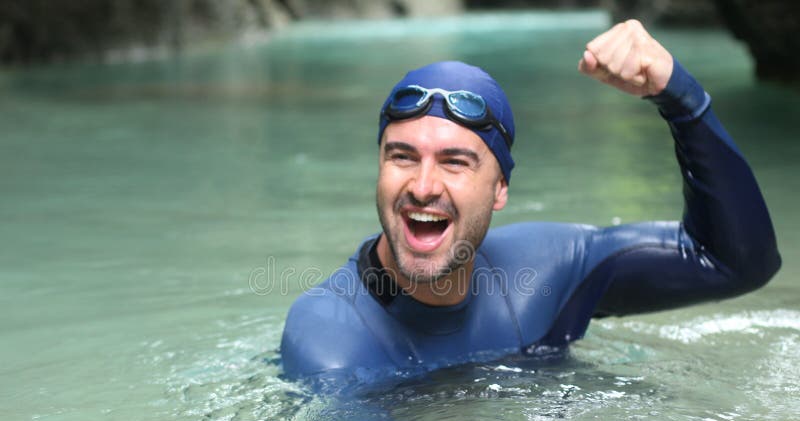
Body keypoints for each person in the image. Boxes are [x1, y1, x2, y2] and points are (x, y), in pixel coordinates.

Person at [280, 20, 781, 383]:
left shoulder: (548, 271)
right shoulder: (333, 343)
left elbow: (734, 262)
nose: (423, 185)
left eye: (455, 162)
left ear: (501, 189)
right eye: (402, 157)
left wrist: (684, 100)